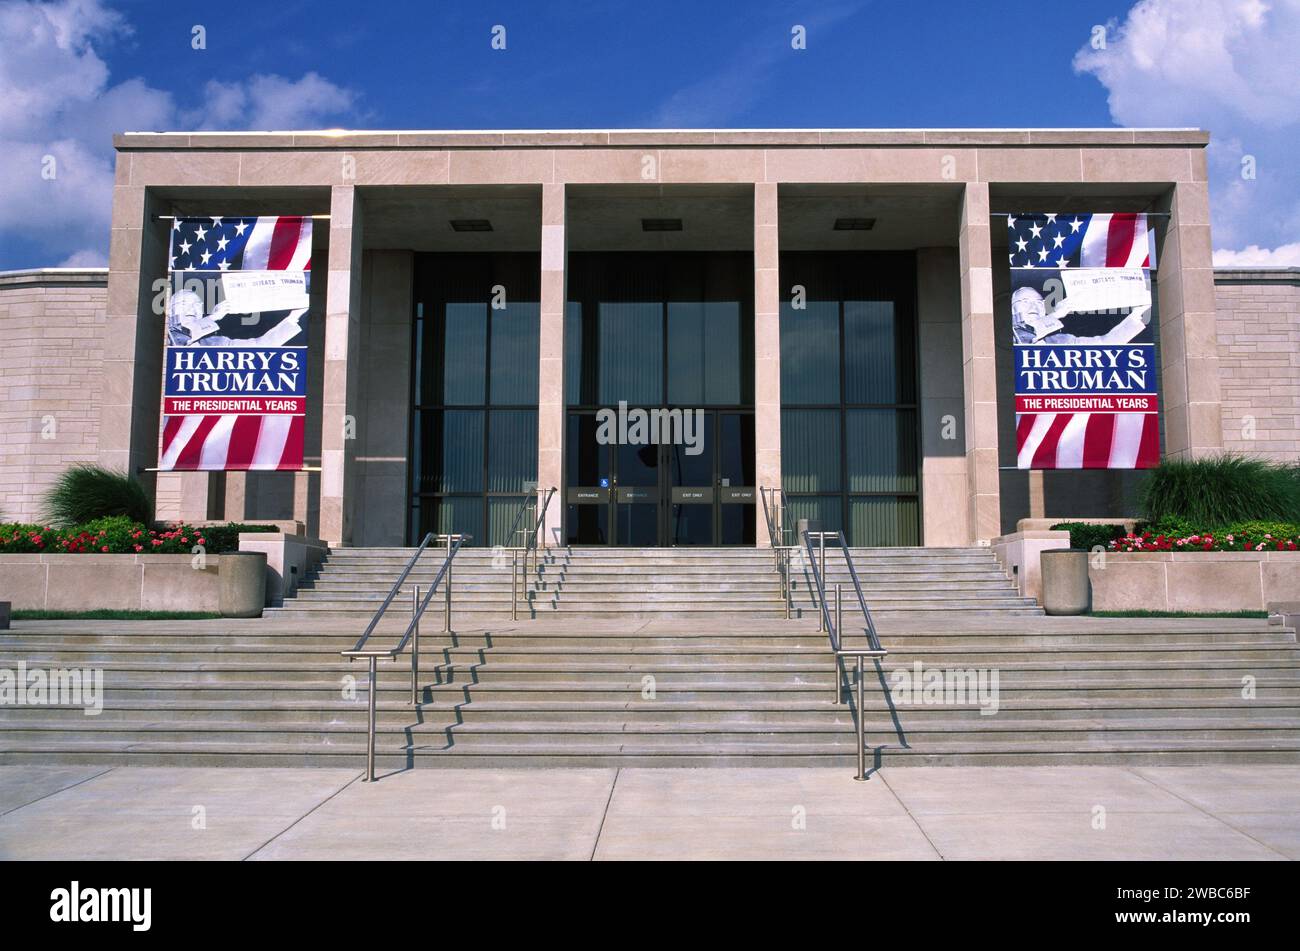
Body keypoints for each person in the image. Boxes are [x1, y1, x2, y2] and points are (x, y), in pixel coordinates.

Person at [1011, 284, 1150, 346]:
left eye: (1038, 302)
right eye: (1025, 301)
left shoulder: (1061, 340)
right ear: (1012, 309)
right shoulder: (1003, 334)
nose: (1033, 306)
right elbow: (1025, 337)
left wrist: (1136, 314)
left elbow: (1105, 343)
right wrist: (1056, 315)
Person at [166, 288, 304, 348]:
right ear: (170, 309)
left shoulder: (216, 342)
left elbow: (260, 345)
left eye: (197, 305)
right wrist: (213, 318)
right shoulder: (163, 335)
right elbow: (179, 338)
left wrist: (293, 317)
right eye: (183, 303)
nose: (192, 309)